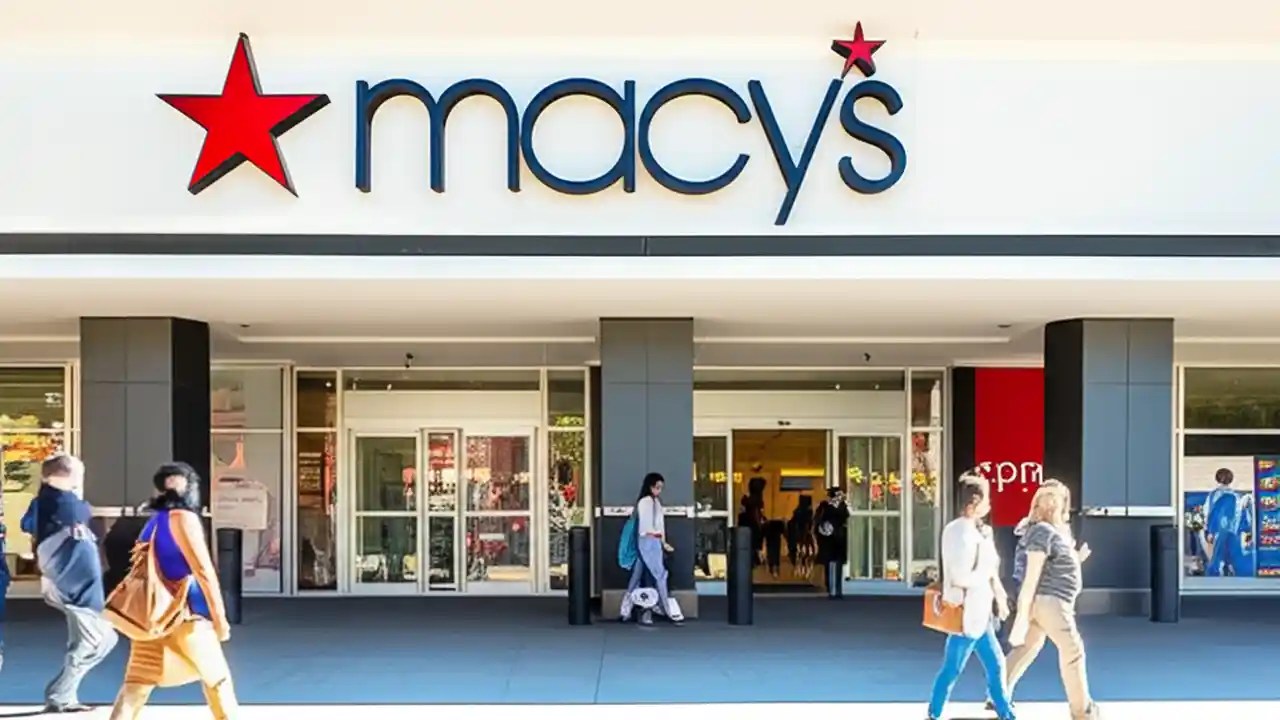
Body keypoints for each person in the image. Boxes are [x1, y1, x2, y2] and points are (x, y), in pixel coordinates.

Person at [109, 462, 238, 720]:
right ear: (190, 488)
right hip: (187, 614)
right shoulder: (184, 518)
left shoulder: (154, 521)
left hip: (154, 614)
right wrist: (220, 617)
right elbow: (203, 570)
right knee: (218, 680)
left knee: (136, 685)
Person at [21, 454, 118, 713]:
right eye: (78, 472)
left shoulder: (63, 503)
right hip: (75, 588)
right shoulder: (54, 503)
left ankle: (62, 696)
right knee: (98, 641)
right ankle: (60, 694)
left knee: (94, 640)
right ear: (65, 475)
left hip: (78, 587)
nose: (81, 477)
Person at [1005, 481, 1099, 720]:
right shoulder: (1042, 531)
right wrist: (1022, 615)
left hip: (1049, 601)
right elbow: (1032, 574)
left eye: (1056, 500)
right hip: (1051, 601)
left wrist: (1076, 558)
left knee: (1027, 647)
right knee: (1073, 650)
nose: (1053, 505)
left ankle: (997, 694)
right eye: (1048, 500)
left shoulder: (1053, 533)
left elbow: (1055, 566)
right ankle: (1082, 710)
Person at [926, 473, 1016, 720]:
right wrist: (987, 577)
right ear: (973, 503)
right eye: (986, 498)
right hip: (966, 613)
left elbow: (989, 568)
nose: (990, 504)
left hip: (978, 612)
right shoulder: (961, 534)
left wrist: (997, 594)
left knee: (995, 663)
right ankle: (934, 712)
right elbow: (960, 576)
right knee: (954, 668)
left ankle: (1006, 711)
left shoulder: (977, 531)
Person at [622, 472, 682, 626]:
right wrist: (661, 539)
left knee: (638, 574)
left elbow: (653, 526)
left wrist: (662, 541)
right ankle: (665, 608)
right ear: (650, 487)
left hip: (650, 542)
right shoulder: (647, 502)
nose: (659, 490)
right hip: (649, 541)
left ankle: (626, 609)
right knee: (660, 575)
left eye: (661, 488)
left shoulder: (651, 502)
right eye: (657, 487)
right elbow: (647, 527)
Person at [1203, 468, 1252, 577]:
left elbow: (1210, 514)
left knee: (1217, 559)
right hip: (1233, 532)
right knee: (1233, 559)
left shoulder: (1213, 496)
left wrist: (1209, 531)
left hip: (1218, 532)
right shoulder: (1236, 496)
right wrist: (1245, 530)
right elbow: (1242, 515)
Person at [815, 488, 850, 596]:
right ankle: (837, 589)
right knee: (837, 563)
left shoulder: (826, 507)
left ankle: (831, 588)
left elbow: (818, 521)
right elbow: (846, 517)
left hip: (829, 539)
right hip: (838, 538)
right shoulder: (842, 507)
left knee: (830, 564)